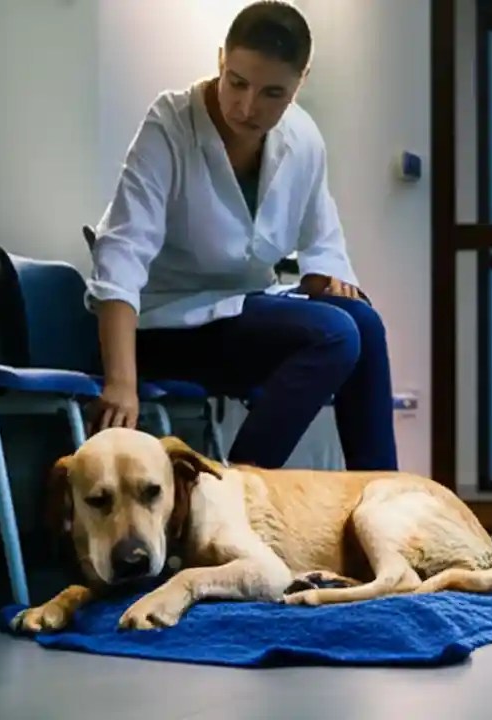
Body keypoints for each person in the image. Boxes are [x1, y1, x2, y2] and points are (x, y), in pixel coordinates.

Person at [84, 1, 397, 471]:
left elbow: (322, 246)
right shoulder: (170, 124)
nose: (248, 107)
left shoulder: (303, 139)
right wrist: (121, 382)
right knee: (334, 334)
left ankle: (385, 500)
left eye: (273, 93)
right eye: (237, 82)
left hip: (242, 318)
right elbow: (121, 257)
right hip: (165, 327)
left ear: (300, 82)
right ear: (220, 61)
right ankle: (235, 495)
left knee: (363, 324)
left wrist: (328, 281)